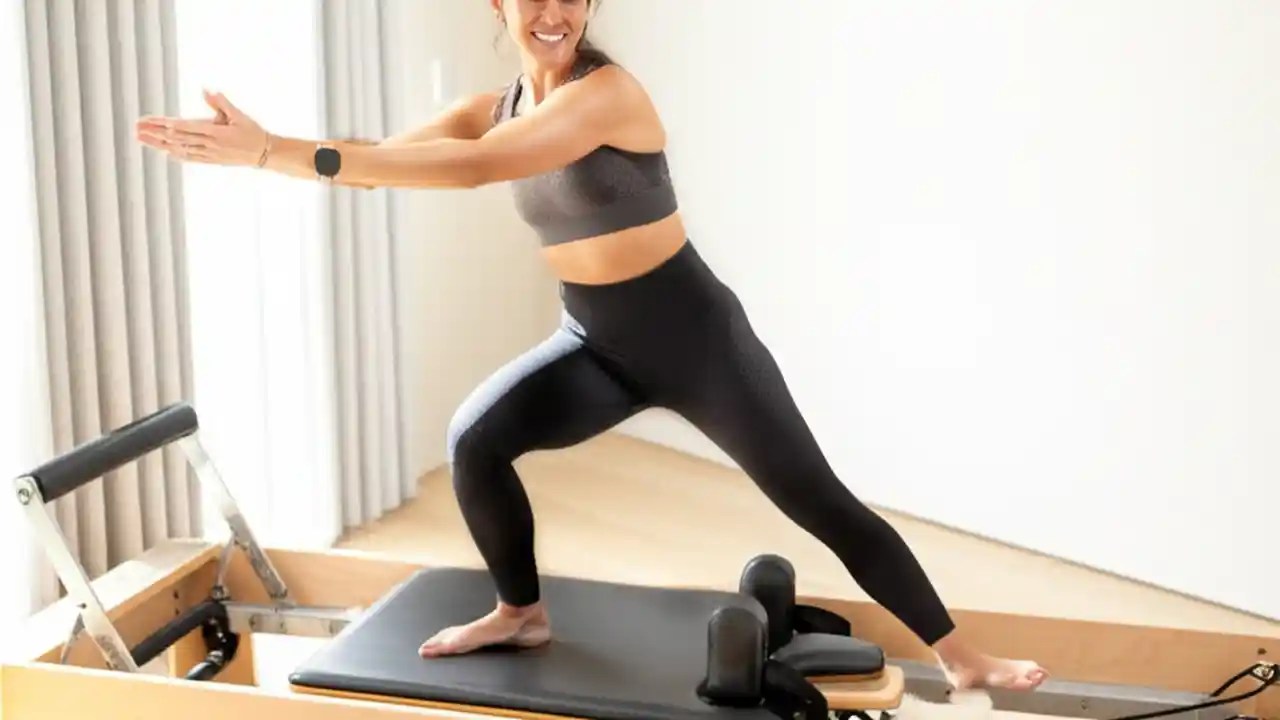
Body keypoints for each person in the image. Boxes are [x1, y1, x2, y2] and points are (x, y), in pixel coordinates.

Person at [136, 0, 1048, 693]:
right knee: (476, 442)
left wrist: (276, 154)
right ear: (495, 5)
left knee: (817, 500)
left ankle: (962, 658)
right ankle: (519, 613)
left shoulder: (607, 93)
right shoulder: (492, 103)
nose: (553, 12)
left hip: (696, 339)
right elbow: (384, 162)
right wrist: (265, 150)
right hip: (595, 340)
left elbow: (475, 167)